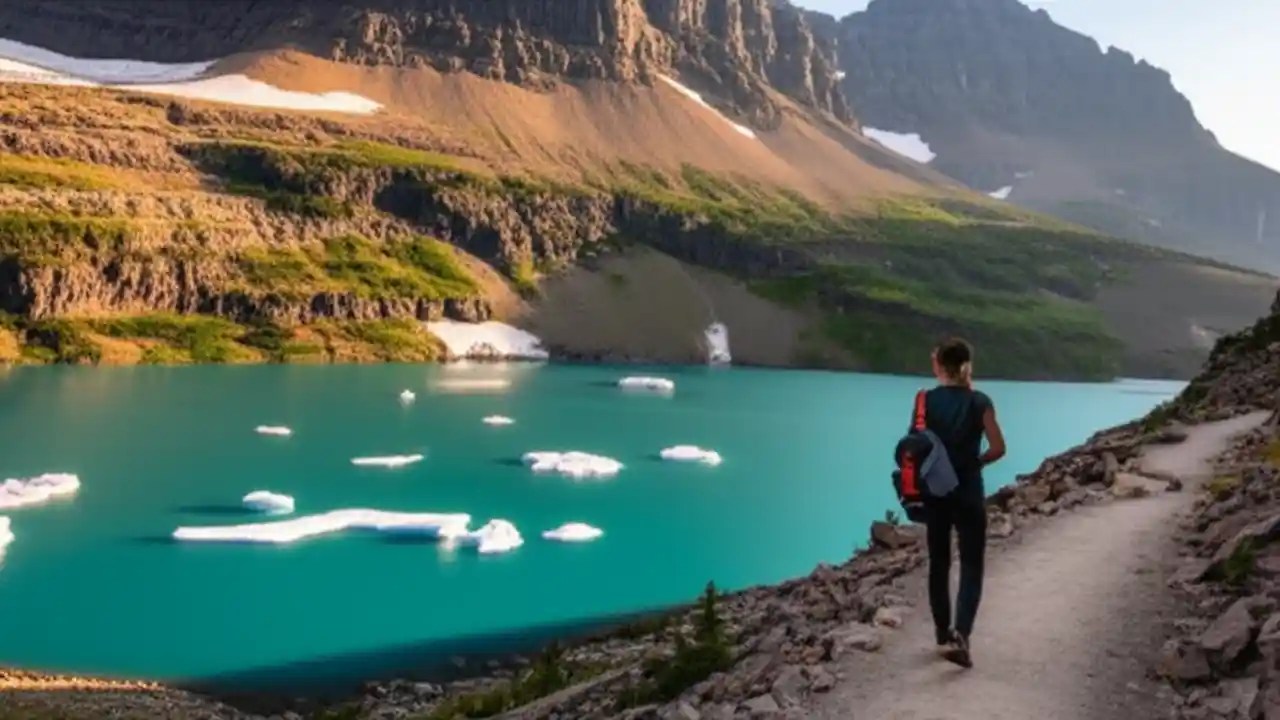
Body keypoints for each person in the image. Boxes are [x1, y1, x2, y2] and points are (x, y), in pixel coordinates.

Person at [919, 337, 1005, 668]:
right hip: (968, 491)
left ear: (938, 364)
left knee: (938, 563)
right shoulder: (980, 401)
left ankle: (942, 635)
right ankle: (962, 636)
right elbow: (998, 447)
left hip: (935, 491)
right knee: (971, 564)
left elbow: (917, 443)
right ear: (968, 365)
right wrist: (976, 462)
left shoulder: (925, 401)